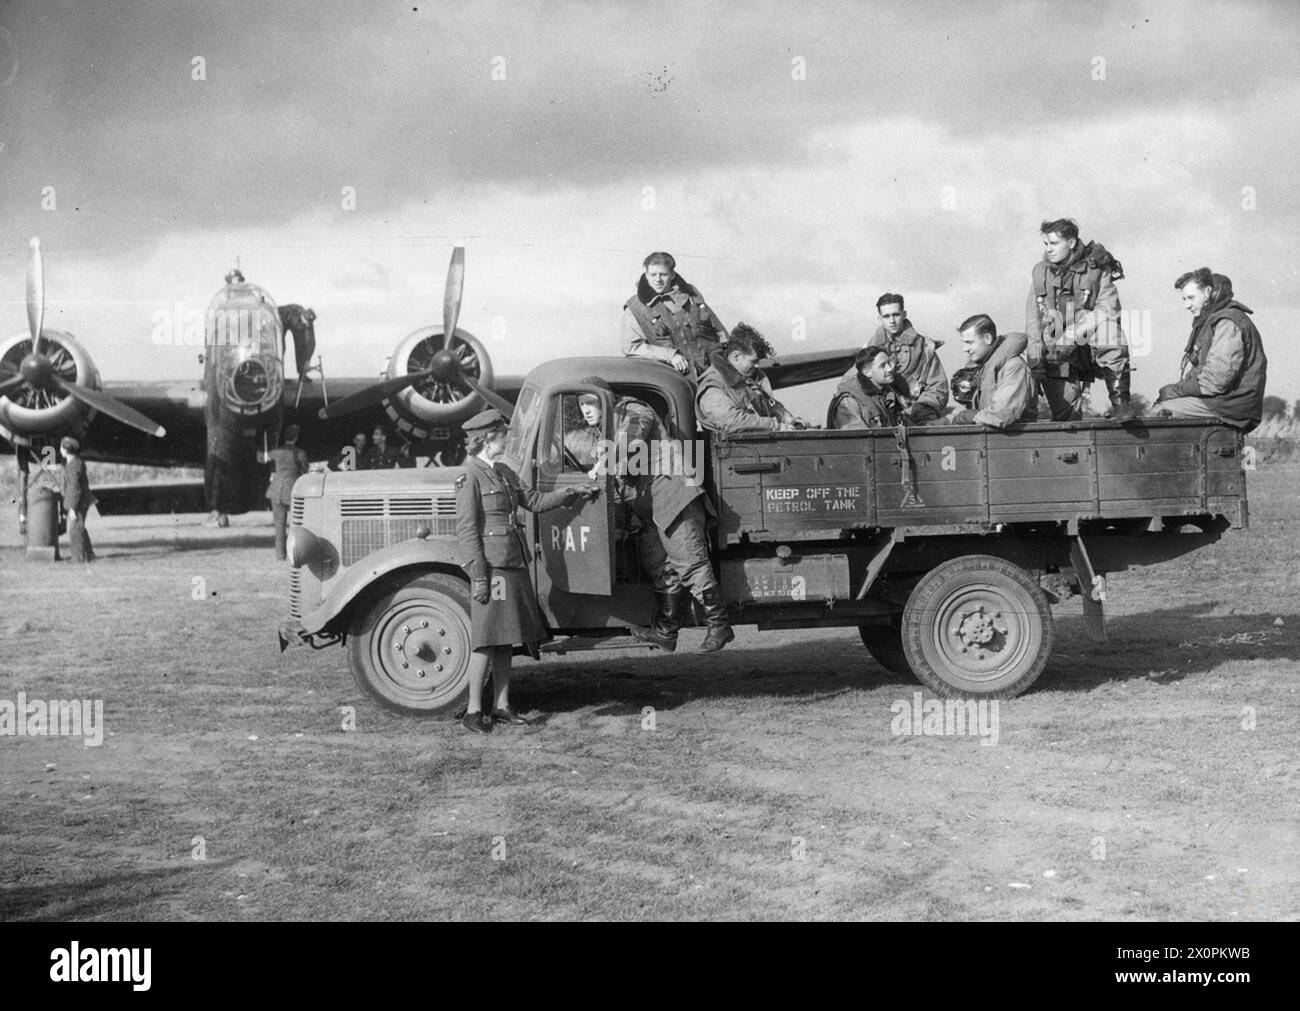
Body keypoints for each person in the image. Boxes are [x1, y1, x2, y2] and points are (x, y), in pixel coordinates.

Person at [455, 409, 598, 733]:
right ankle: (473, 711)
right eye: (502, 435)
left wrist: (570, 492)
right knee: (485, 640)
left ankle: (502, 705)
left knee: (506, 639)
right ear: (486, 439)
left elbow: (532, 500)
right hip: (492, 569)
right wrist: (479, 575)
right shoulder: (470, 476)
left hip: (513, 563)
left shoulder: (503, 471)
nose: (506, 439)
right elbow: (467, 531)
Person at [582, 377, 735, 653]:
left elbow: (630, 441)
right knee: (660, 565)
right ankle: (666, 632)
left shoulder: (635, 411)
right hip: (652, 504)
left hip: (675, 492)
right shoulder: (607, 429)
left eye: (590, 402)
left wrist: (601, 465)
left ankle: (720, 625)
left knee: (691, 562)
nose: (586, 409)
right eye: (582, 404)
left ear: (606, 398)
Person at [1025, 218, 1133, 421]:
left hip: (1089, 344)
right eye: (1046, 244)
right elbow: (1033, 321)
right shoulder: (1040, 272)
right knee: (1066, 417)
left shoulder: (1097, 268)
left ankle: (1121, 404)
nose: (1049, 249)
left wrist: (1073, 333)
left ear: (1072, 242)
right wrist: (1035, 362)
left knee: (1109, 330)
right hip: (1057, 350)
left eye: (1054, 243)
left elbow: (1108, 308)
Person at [1154, 269, 1267, 431]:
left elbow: (1216, 379)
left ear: (1209, 292)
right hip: (1221, 401)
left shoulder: (1227, 322)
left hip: (1230, 405)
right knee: (1162, 405)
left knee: (1157, 414)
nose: (1187, 305)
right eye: (1184, 299)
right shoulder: (1213, 320)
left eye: (1191, 298)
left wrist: (1177, 391)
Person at [622, 251, 728, 378]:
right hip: (673, 379)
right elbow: (632, 347)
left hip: (712, 372)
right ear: (646, 274)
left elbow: (720, 333)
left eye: (663, 274)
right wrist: (669, 356)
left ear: (672, 274)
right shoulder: (635, 307)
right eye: (653, 274)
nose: (658, 280)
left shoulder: (691, 296)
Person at [695, 323, 807, 433]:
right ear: (736, 356)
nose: (757, 365)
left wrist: (791, 421)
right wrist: (775, 426)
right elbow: (731, 421)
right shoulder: (713, 387)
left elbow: (771, 406)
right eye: (753, 361)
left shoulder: (750, 379)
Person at [862, 293, 949, 424]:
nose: (892, 321)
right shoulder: (870, 349)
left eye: (896, 315)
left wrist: (914, 410)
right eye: (886, 316)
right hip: (880, 413)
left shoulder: (924, 347)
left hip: (917, 415)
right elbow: (854, 384)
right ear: (879, 318)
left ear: (904, 314)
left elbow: (938, 389)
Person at [947, 316, 1036, 428]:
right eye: (964, 343)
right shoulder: (982, 367)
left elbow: (1003, 415)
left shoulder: (1014, 367)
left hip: (1014, 440)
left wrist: (968, 417)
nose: (965, 349)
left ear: (988, 339)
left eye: (969, 342)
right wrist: (948, 420)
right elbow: (970, 404)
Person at [827, 346, 914, 429]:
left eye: (889, 363)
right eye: (883, 365)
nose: (890, 369)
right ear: (867, 372)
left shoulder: (889, 394)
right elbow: (858, 440)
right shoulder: (849, 402)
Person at [265, 424, 309, 561]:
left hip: (276, 490)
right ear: (296, 437)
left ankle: (280, 555)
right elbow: (305, 470)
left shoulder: (276, 452)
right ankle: (295, 553)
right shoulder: (300, 453)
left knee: (279, 525)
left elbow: (263, 458)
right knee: (297, 524)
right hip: (292, 490)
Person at [60, 436, 95, 563]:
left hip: (78, 502)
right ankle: (89, 555)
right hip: (82, 501)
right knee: (79, 528)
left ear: (65, 450)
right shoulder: (77, 462)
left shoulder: (72, 466)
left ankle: (77, 558)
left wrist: (72, 508)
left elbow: (74, 488)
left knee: (75, 530)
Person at [278, 304, 317, 382]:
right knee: (279, 347)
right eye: (303, 323)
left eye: (307, 324)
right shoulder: (293, 315)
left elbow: (310, 343)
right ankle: (277, 376)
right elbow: (296, 323)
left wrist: (307, 362)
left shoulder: (308, 321)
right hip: (279, 318)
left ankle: (302, 374)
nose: (305, 325)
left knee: (303, 344)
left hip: (293, 318)